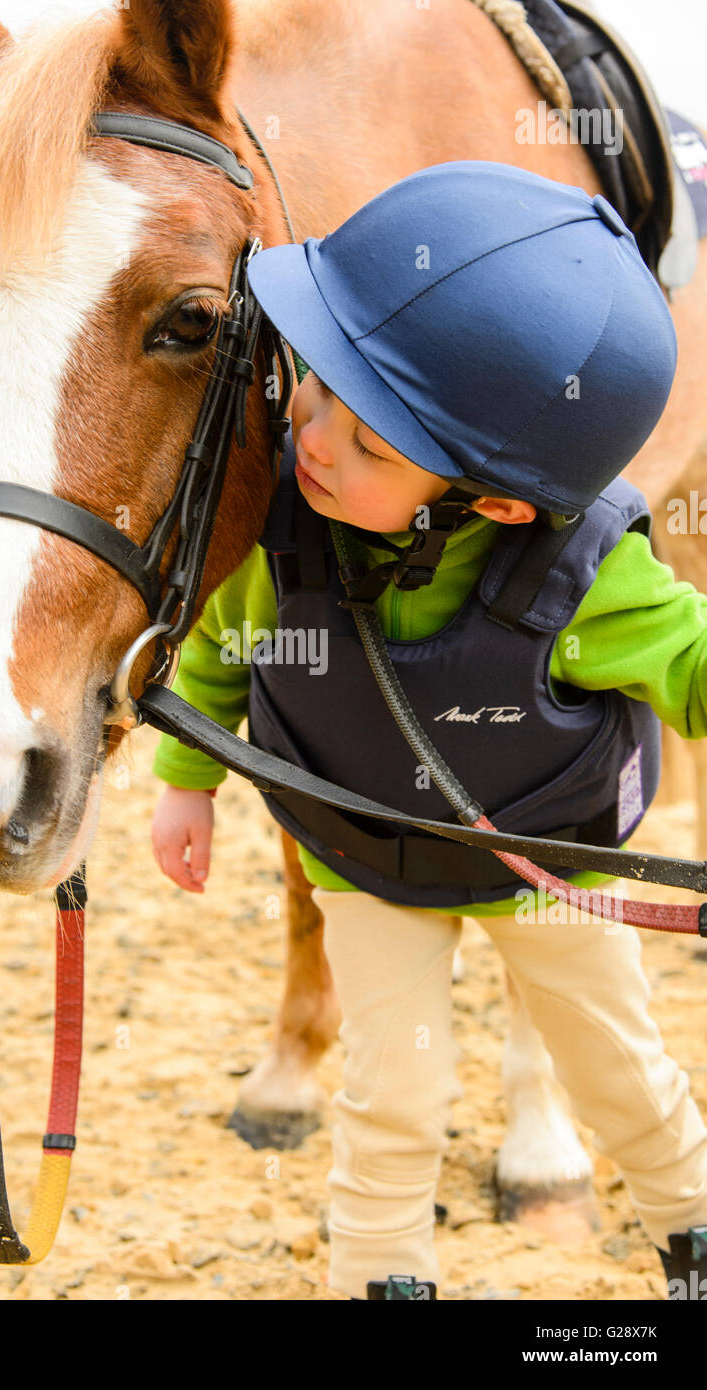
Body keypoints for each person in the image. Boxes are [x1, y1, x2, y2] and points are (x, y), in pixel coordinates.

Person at [150, 161, 707, 1301]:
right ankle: (382, 1276)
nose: (311, 443)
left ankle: (691, 1231)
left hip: (548, 869)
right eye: (314, 392)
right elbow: (223, 653)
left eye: (369, 445)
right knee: (388, 1093)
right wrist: (183, 781)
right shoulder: (290, 537)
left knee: (623, 1076)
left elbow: (694, 662)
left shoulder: (592, 577)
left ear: (495, 501)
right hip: (365, 863)